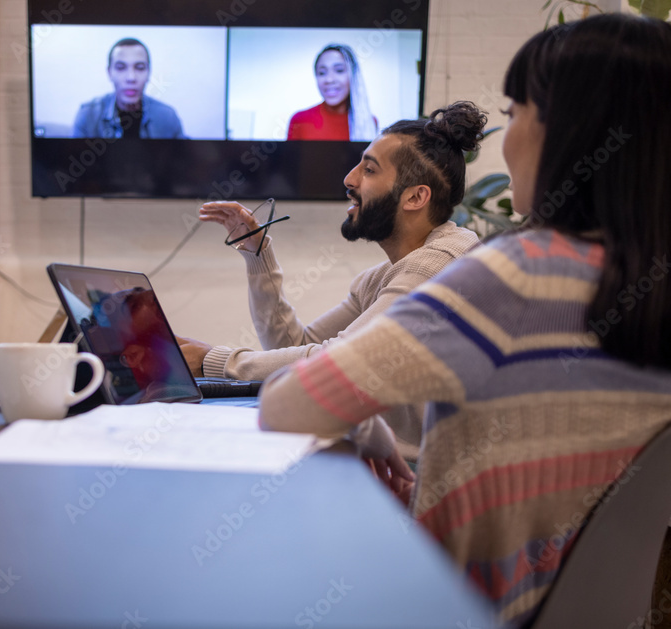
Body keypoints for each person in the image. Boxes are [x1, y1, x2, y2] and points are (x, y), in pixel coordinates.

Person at [258, 14, 671, 627]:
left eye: (515, 111)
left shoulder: (516, 274)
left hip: (454, 608)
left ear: (566, 131)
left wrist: (369, 428)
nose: (505, 140)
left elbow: (287, 407)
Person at [179, 101, 485, 460]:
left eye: (369, 170)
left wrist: (211, 360)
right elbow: (294, 344)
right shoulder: (381, 278)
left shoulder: (444, 261)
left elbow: (337, 363)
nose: (350, 179)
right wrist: (257, 253)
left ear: (416, 197)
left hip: (422, 479)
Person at [73, 38, 185, 139]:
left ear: (149, 72)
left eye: (140, 68)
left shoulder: (168, 117)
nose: (131, 78)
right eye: (121, 68)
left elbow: (183, 159)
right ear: (109, 72)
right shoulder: (88, 114)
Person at [287, 44, 378, 142]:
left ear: (353, 75)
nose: (329, 79)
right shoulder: (300, 121)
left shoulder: (368, 122)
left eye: (339, 70)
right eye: (322, 73)